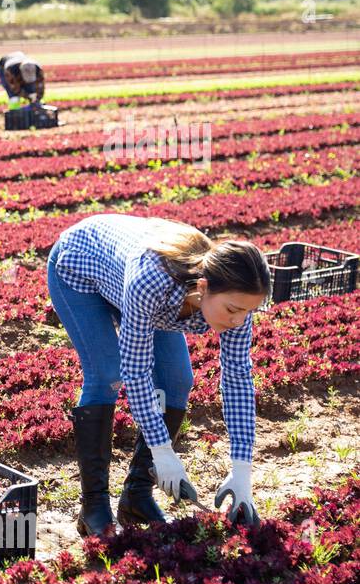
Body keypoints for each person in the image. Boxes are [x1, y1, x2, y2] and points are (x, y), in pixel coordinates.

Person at [46, 213, 270, 538]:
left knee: (178, 379)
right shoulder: (153, 280)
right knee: (107, 374)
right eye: (233, 310)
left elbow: (238, 380)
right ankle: (94, 507)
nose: (238, 320)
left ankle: (136, 496)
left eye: (247, 312)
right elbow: (135, 372)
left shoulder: (235, 305)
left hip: (140, 293)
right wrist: (162, 450)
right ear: (203, 287)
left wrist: (241, 470)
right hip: (80, 272)